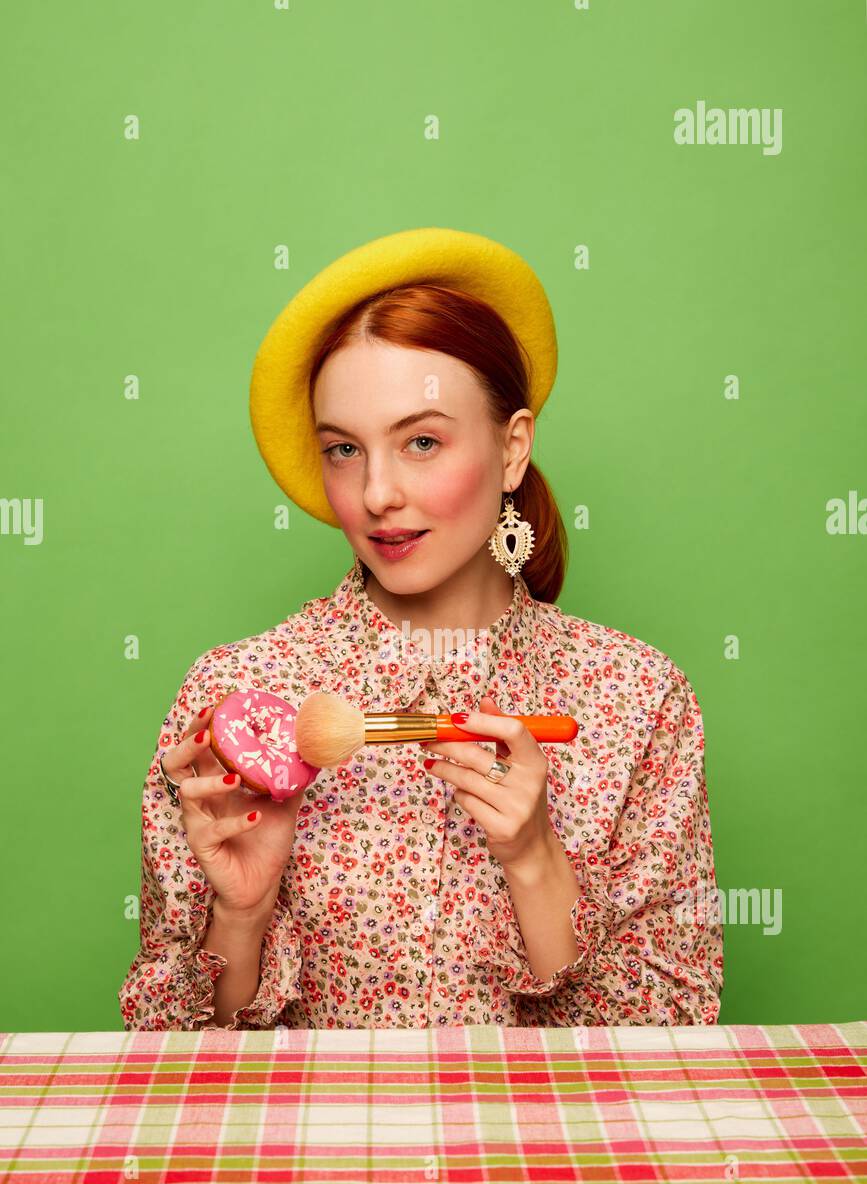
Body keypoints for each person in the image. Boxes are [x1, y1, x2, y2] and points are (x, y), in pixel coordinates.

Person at [119, 227, 723, 1031]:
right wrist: (243, 913)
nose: (375, 494)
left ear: (511, 450)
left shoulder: (638, 697)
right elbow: (171, 1061)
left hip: (542, 1154)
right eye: (343, 449)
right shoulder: (238, 694)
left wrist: (536, 861)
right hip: (315, 1151)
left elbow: (674, 1040)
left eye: (422, 442)